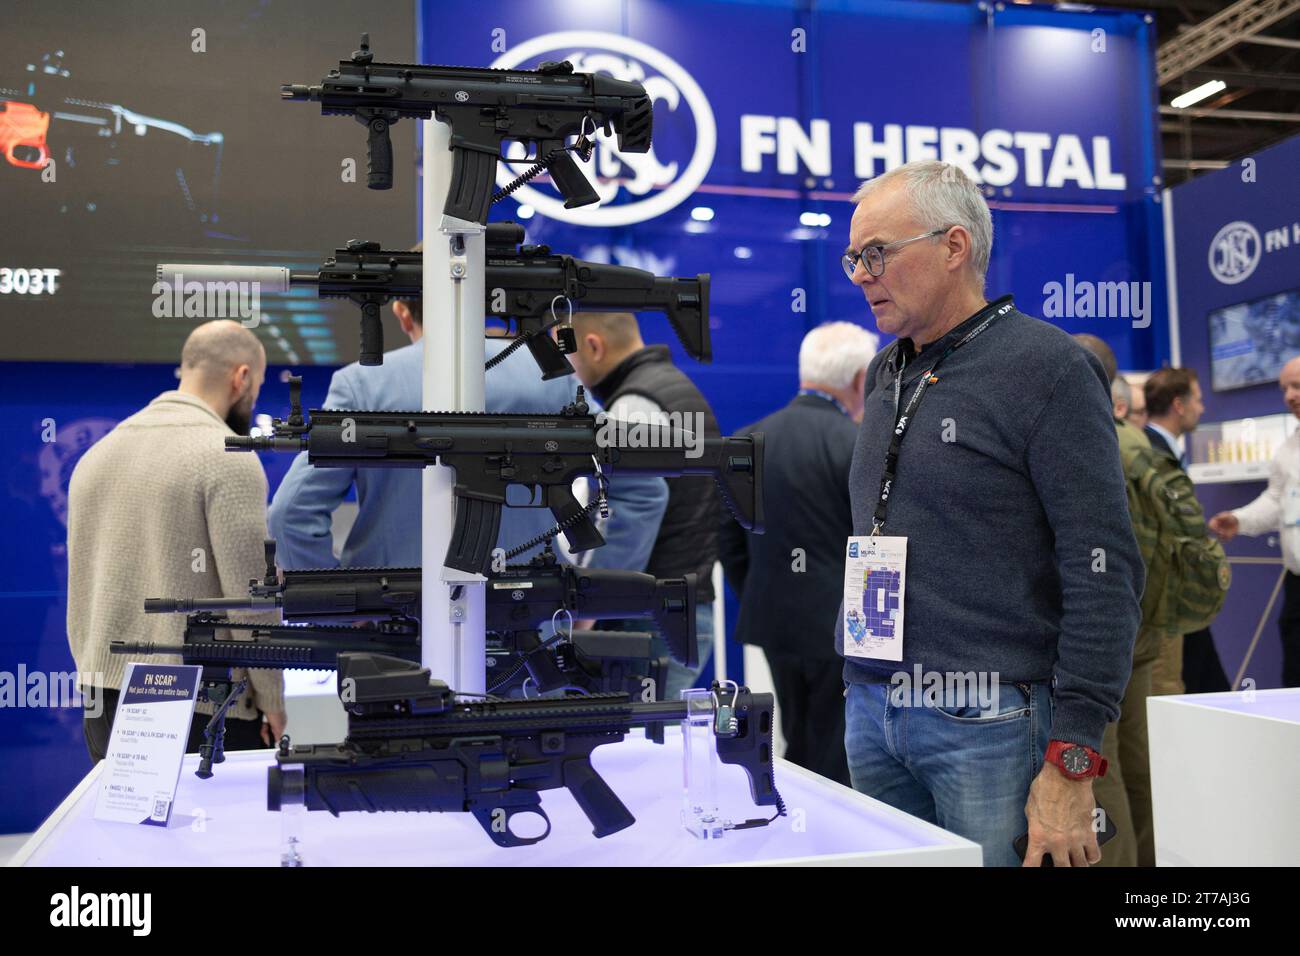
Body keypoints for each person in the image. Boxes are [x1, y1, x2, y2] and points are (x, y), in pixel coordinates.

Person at [839, 159, 1142, 867]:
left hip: (993, 721)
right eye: (854, 256)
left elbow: (1106, 569)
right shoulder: (889, 373)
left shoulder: (1049, 367)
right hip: (873, 707)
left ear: (954, 247)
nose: (861, 273)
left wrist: (1073, 758)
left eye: (878, 253)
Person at [268, 287, 668, 575]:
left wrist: (341, 601)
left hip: (395, 628)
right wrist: (598, 591)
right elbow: (643, 484)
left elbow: (291, 514)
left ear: (402, 313)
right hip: (530, 629)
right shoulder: (550, 375)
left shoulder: (363, 385)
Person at [67, 320, 285, 762]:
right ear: (241, 376)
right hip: (202, 705)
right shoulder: (228, 455)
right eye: (257, 385)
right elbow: (251, 600)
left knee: (132, 832)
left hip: (102, 698)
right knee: (221, 833)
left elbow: (81, 594)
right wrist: (274, 700)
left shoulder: (96, 456)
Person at [719, 321, 878, 786]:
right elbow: (874, 542)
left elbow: (729, 541)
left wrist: (760, 593)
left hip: (775, 622)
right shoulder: (859, 447)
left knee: (796, 737)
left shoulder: (745, 442)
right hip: (846, 630)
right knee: (839, 751)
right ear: (857, 380)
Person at [565, 312, 721, 699]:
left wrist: (588, 605)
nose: (561, 366)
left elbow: (631, 513)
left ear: (594, 346)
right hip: (680, 604)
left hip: (649, 616)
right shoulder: (672, 390)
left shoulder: (633, 407)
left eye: (564, 349)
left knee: (631, 748)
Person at [1210, 355, 1300, 688]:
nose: (1290, 396)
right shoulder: (1289, 450)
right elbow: (1277, 501)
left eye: (1297, 386)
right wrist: (1240, 519)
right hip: (1296, 584)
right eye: (1285, 388)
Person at [1143, 368, 1230, 696]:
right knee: (1169, 687)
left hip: (1174, 594)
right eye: (1198, 399)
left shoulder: (1161, 453)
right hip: (1164, 597)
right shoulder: (1152, 456)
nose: (1202, 408)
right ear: (1179, 404)